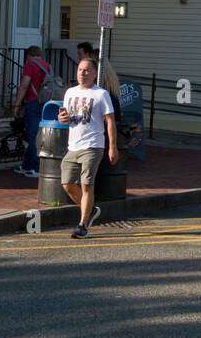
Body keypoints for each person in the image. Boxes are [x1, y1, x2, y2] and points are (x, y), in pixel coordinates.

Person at [58, 58, 119, 238]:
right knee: (67, 184)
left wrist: (112, 147)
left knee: (86, 185)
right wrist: (62, 118)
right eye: (80, 70)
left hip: (93, 146)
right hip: (73, 145)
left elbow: (110, 121)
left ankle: (82, 225)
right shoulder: (70, 92)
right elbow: (66, 116)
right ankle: (90, 211)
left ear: (94, 74)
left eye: (86, 71)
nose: (82, 73)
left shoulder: (101, 94)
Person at [10, 46, 51, 179]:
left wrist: (17, 104)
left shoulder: (30, 64)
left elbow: (24, 84)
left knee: (33, 136)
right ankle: (26, 165)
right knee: (39, 134)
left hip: (33, 102)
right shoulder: (47, 66)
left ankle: (36, 167)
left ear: (29, 55)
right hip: (45, 103)